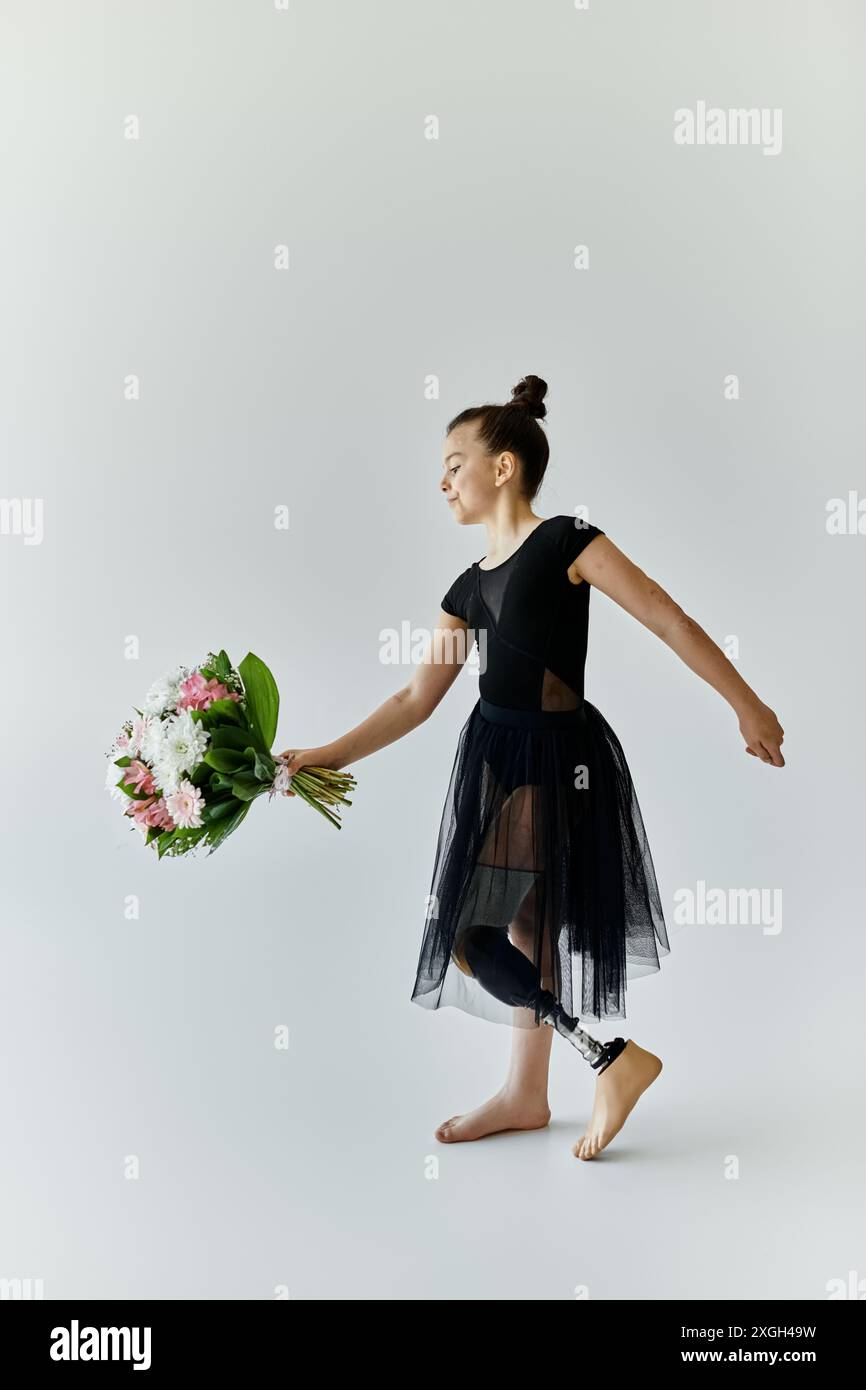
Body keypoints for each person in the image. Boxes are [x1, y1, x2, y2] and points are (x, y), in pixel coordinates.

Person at [277, 374, 785, 1160]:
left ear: (504, 466)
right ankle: (527, 1092)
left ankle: (605, 1058)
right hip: (494, 755)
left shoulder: (567, 542)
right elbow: (416, 699)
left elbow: (662, 612)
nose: (442, 479)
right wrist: (323, 754)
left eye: (455, 462)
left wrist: (744, 702)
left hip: (556, 758)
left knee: (473, 934)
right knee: (521, 923)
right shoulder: (465, 588)